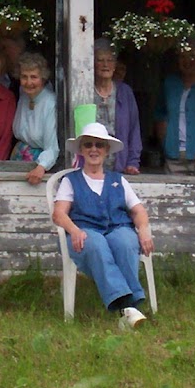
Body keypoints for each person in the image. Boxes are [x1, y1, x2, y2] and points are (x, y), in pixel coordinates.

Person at [52, 122, 155, 330]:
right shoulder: (71, 180)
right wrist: (74, 230)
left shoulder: (118, 180)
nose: (93, 149)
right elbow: (59, 213)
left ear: (106, 150)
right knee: (96, 243)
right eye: (88, 144)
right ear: (81, 149)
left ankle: (126, 311)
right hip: (84, 232)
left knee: (126, 241)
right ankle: (128, 306)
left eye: (99, 145)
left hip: (117, 228)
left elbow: (138, 210)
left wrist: (143, 231)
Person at [91, 39, 142, 174]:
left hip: (119, 167)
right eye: (100, 60)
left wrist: (133, 162)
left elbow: (134, 130)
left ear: (115, 65)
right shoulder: (85, 91)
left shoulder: (125, 92)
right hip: (90, 166)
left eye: (110, 60)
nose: (105, 65)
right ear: (93, 64)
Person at [156, 42, 195, 174]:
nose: (187, 60)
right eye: (182, 56)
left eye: (192, 55)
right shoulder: (170, 83)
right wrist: (165, 140)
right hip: (173, 156)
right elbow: (160, 114)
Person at [11, 51, 59, 186]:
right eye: (24, 77)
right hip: (17, 161)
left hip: (38, 167)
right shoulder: (24, 95)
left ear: (43, 78)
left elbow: (52, 147)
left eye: (34, 77)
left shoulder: (50, 103)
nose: (28, 82)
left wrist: (41, 167)